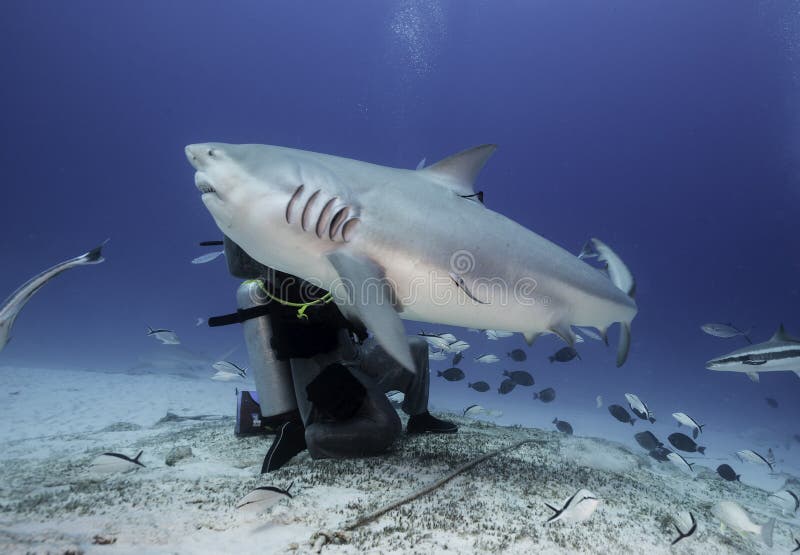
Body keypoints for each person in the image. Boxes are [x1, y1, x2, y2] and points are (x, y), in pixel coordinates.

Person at [216, 238, 457, 473]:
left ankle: (420, 417)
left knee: (416, 347)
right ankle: (307, 435)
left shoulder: (329, 259)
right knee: (386, 427)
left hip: (354, 356)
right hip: (325, 373)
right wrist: (226, 209)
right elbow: (239, 266)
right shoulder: (279, 265)